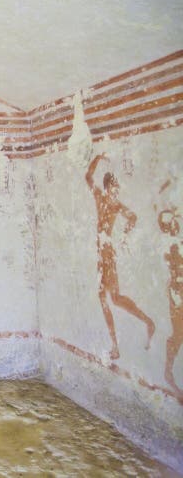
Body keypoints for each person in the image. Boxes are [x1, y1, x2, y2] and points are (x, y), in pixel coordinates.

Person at [86, 154, 154, 360]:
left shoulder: (112, 203)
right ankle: (118, 343)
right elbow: (88, 176)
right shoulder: (103, 199)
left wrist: (124, 236)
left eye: (117, 187)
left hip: (106, 254)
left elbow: (133, 217)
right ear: (108, 186)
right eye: (114, 186)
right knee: (108, 298)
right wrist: (96, 158)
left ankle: (146, 322)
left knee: (113, 299)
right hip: (102, 254)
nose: (117, 190)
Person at [158, 207, 182, 397]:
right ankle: (168, 371)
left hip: (178, 291)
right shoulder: (170, 244)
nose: (176, 223)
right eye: (173, 221)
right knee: (177, 334)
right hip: (176, 293)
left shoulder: (177, 242)